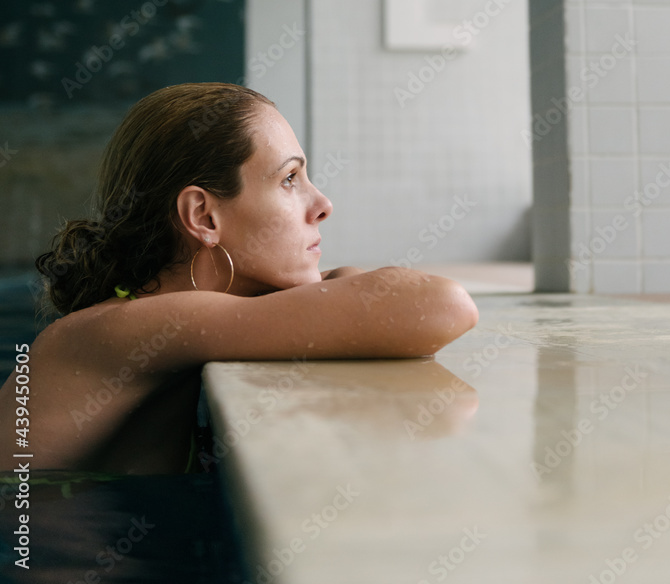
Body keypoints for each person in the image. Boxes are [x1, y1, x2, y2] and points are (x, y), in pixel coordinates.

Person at [0, 83, 478, 477]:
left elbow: (363, 298)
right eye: (289, 179)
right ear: (203, 217)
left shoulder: (164, 318)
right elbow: (442, 306)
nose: (322, 204)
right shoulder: (136, 326)